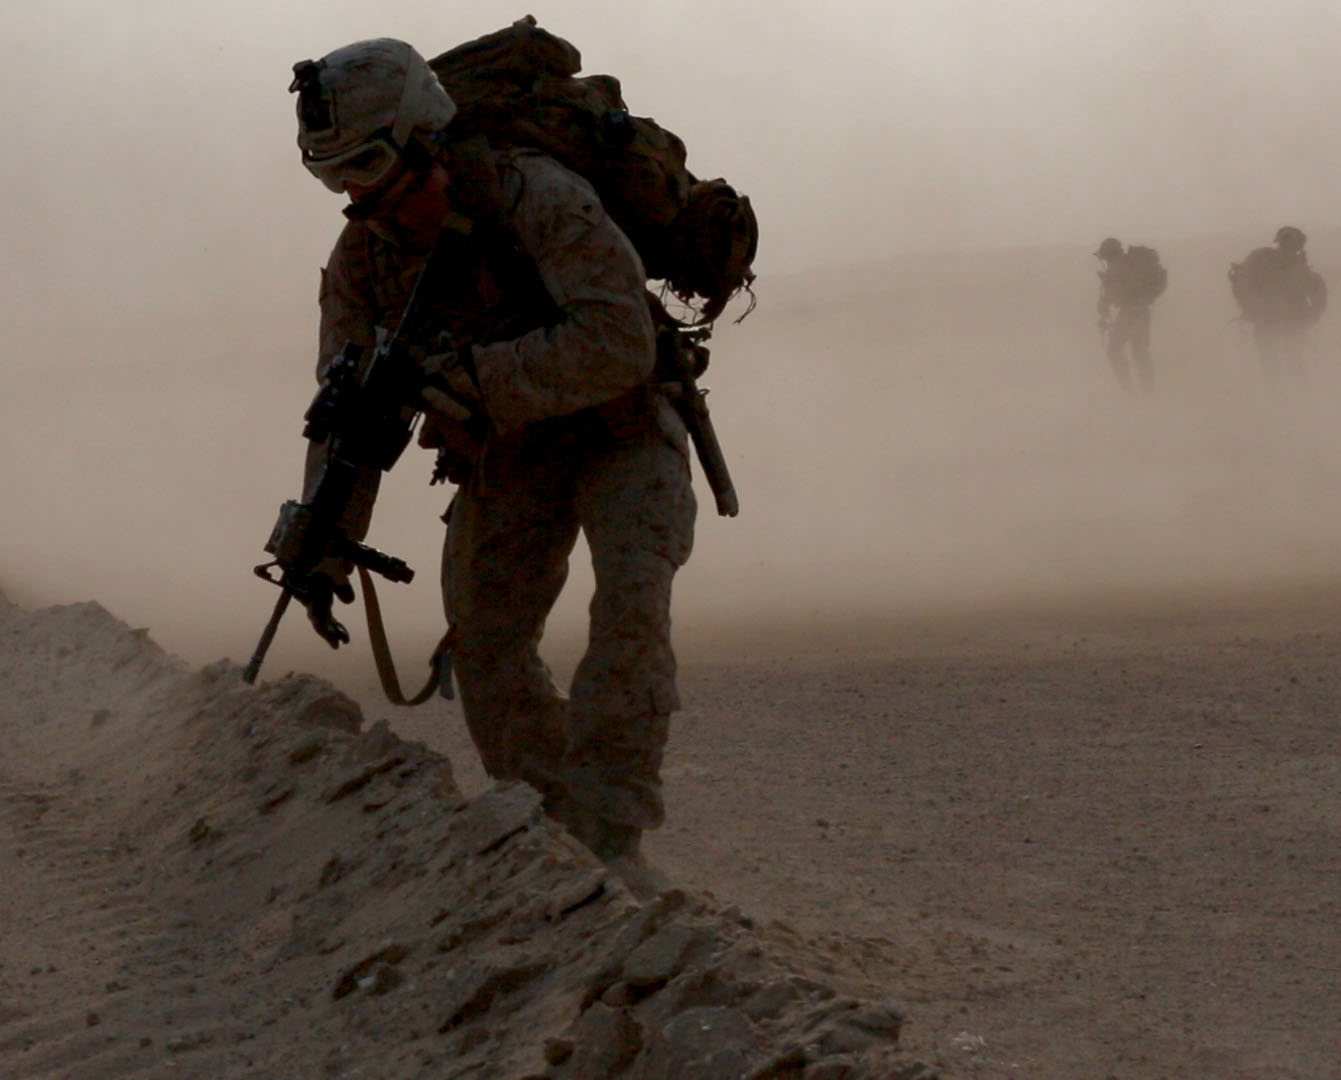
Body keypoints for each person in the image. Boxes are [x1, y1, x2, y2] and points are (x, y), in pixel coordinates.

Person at [286, 38, 697, 896]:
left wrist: (471, 381)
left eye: (365, 166)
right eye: (333, 179)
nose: (355, 194)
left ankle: (611, 835)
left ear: (422, 137)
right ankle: (550, 833)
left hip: (624, 429)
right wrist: (322, 539)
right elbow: (348, 410)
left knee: (628, 612)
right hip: (509, 453)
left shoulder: (536, 196)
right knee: (486, 644)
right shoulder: (362, 260)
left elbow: (618, 339)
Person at [1228, 226, 1327, 379]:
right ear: (1280, 243)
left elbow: (1318, 295)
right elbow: (1243, 286)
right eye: (1286, 243)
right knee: (1273, 363)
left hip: (1291, 322)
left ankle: (1296, 397)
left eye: (1294, 245)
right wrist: (1259, 308)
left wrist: (1308, 318)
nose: (1289, 248)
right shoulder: (1261, 259)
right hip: (1267, 321)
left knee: (1293, 362)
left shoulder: (1299, 267)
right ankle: (1279, 398)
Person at [1094, 237, 1167, 394]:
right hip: (1142, 312)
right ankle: (1148, 392)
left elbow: (1116, 293)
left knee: (1114, 350)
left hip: (1129, 313)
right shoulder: (1128, 263)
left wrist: (1104, 301)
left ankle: (1128, 390)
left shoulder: (1117, 267)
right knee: (1139, 351)